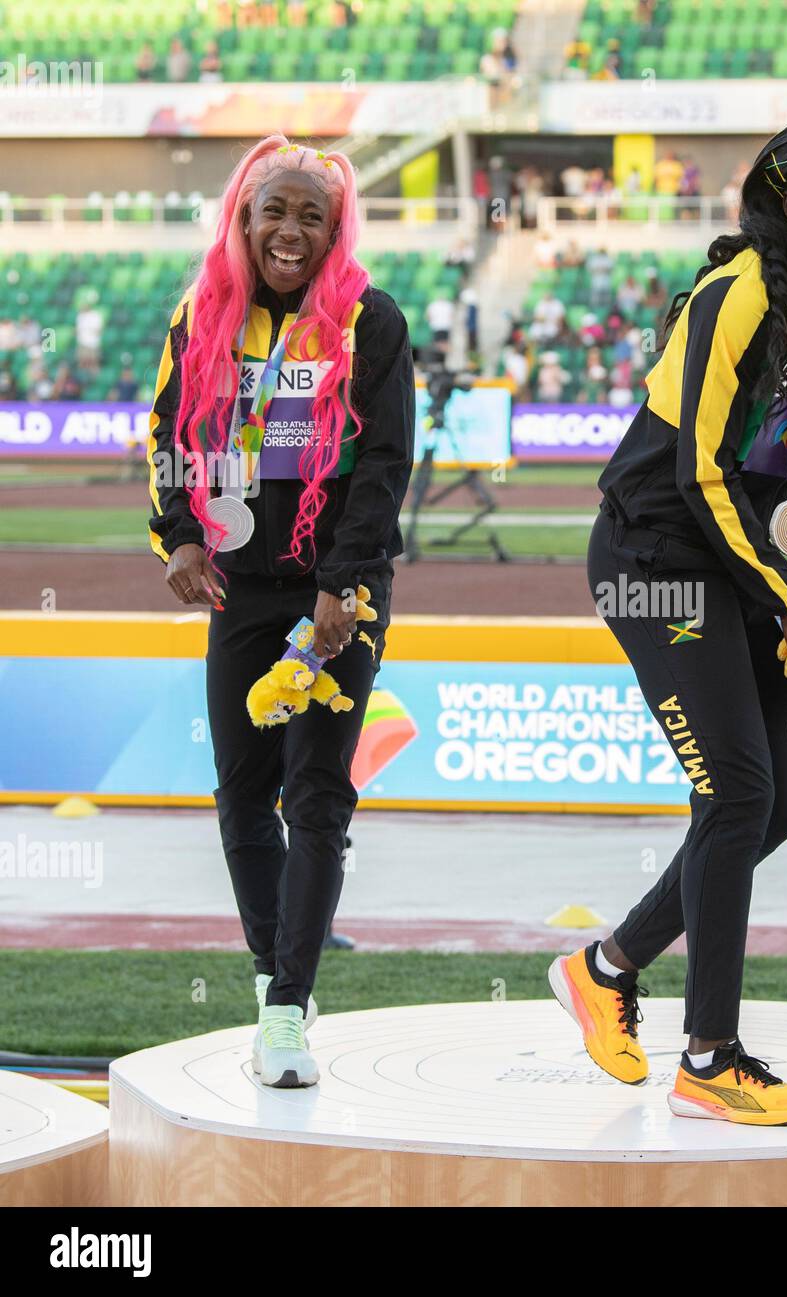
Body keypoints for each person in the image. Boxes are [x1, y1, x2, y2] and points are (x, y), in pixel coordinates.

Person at [551, 114, 787, 1126]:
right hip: (657, 559)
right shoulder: (736, 293)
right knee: (740, 789)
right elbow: (700, 471)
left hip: (738, 563)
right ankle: (709, 1054)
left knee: (775, 802)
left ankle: (603, 968)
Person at [145, 137, 414, 1089]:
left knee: (318, 795)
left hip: (340, 592)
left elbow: (384, 467)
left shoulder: (369, 322)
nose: (291, 230)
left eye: (313, 215)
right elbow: (167, 433)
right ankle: (276, 983)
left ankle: (289, 1006)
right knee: (240, 795)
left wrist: (346, 584)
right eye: (275, 212)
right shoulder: (203, 317)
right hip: (241, 589)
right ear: (243, 221)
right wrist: (176, 535)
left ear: (336, 231)